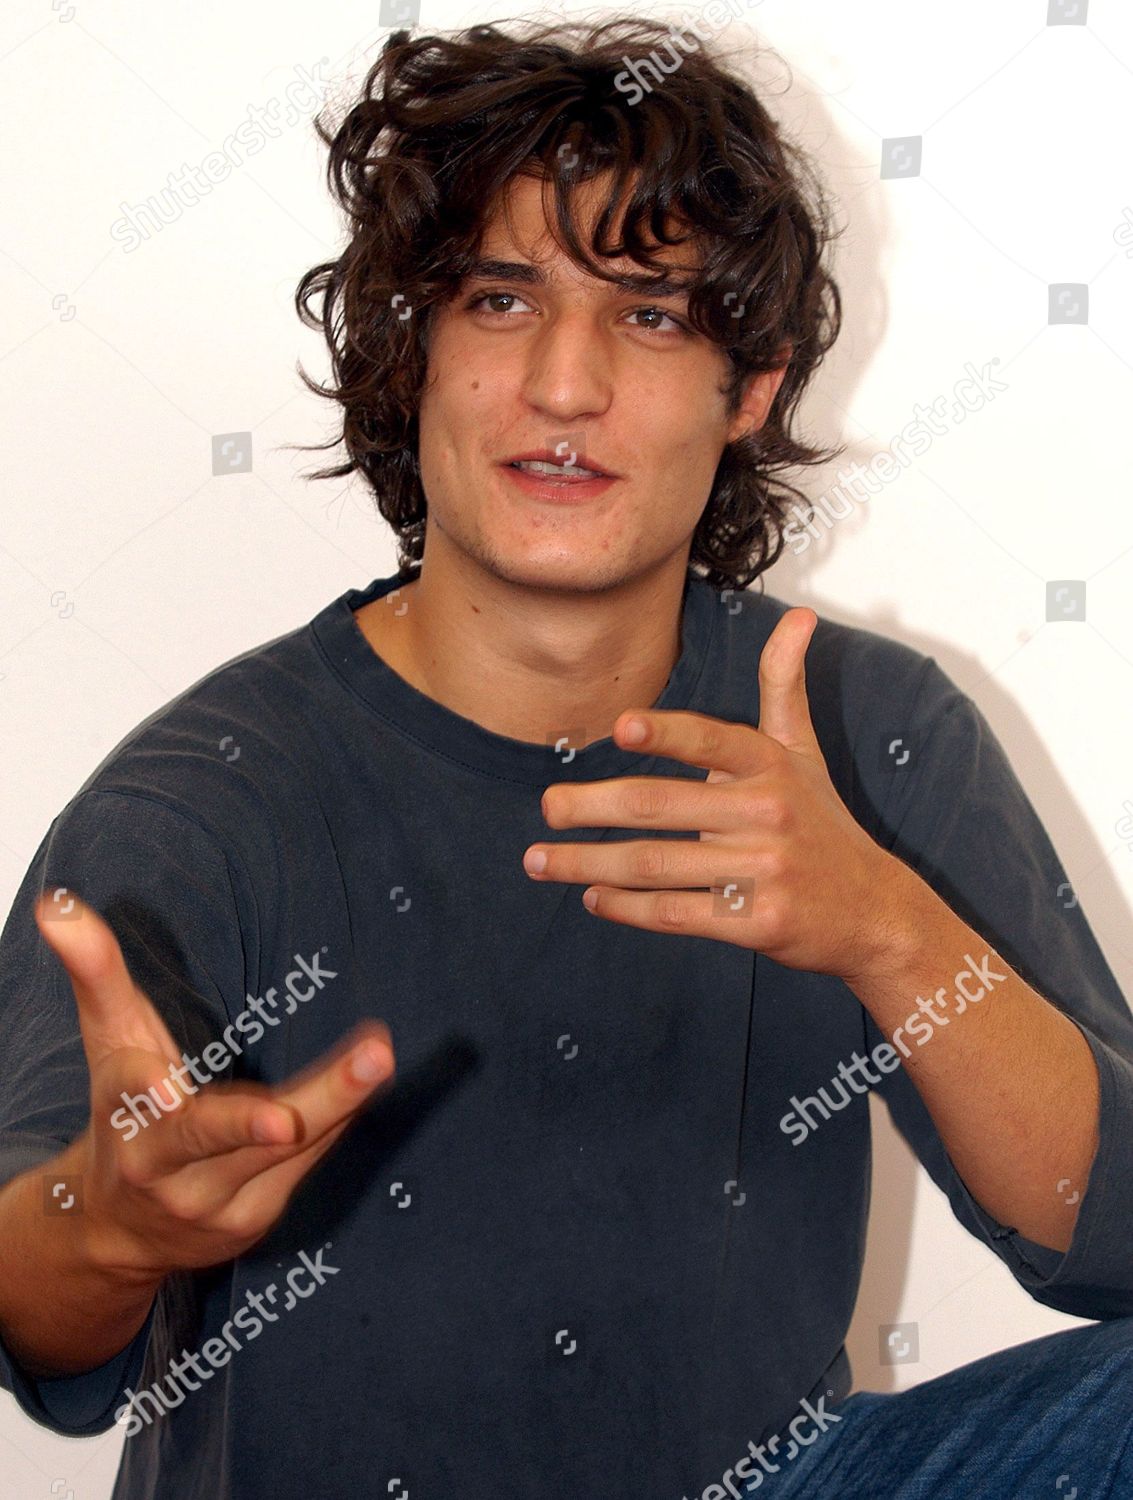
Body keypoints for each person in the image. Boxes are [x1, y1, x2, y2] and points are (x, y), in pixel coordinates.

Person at [1, 18, 1131, 1500]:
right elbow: (36, 1325)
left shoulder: (860, 729)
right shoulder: (208, 798)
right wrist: (113, 1225)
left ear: (751, 390)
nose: (564, 386)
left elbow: (1107, 1244)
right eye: (499, 298)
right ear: (412, 356)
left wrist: (885, 933)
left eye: (652, 314)